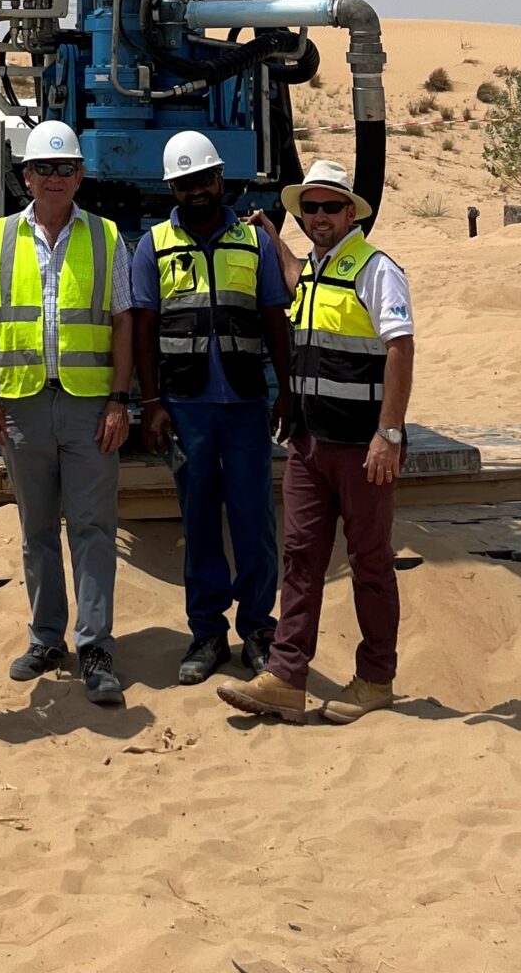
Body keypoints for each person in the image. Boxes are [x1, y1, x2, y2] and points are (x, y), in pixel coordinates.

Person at [217, 157, 414, 726]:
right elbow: (296, 279)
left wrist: (390, 432)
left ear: (351, 212)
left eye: (330, 206)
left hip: (362, 449)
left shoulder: (375, 270)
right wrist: (273, 240)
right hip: (309, 445)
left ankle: (376, 679)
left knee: (370, 562)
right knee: (300, 559)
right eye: (310, 206)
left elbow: (400, 349)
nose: (319, 215)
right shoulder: (318, 268)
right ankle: (285, 677)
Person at [0, 119, 133, 707]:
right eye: (43, 169)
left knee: (92, 527)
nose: (54, 178)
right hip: (24, 404)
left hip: (89, 407)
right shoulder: (2, 237)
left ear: (80, 176)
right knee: (36, 529)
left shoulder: (108, 237)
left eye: (65, 169)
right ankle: (45, 638)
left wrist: (119, 400)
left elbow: (123, 321)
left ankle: (95, 647)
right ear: (26, 177)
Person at [131, 129, 292, 686]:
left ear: (219, 179)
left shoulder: (255, 243)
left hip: (246, 402)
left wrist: (287, 391)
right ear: (172, 188)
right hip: (185, 407)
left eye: (204, 179)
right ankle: (206, 633)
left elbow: (275, 317)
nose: (196, 190)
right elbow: (144, 329)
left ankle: (258, 629)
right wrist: (150, 403)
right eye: (185, 182)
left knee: (253, 520)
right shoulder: (152, 246)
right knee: (198, 522)